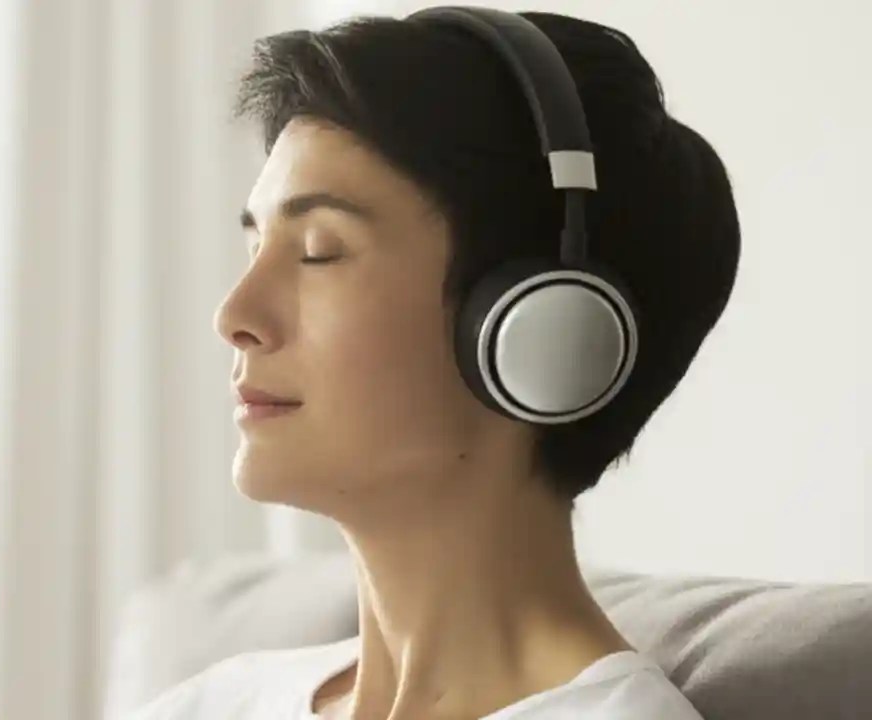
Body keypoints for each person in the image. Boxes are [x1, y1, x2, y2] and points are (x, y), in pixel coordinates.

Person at [126, 7, 738, 720]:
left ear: (535, 328)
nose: (234, 315)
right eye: (255, 246)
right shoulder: (210, 703)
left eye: (320, 251)